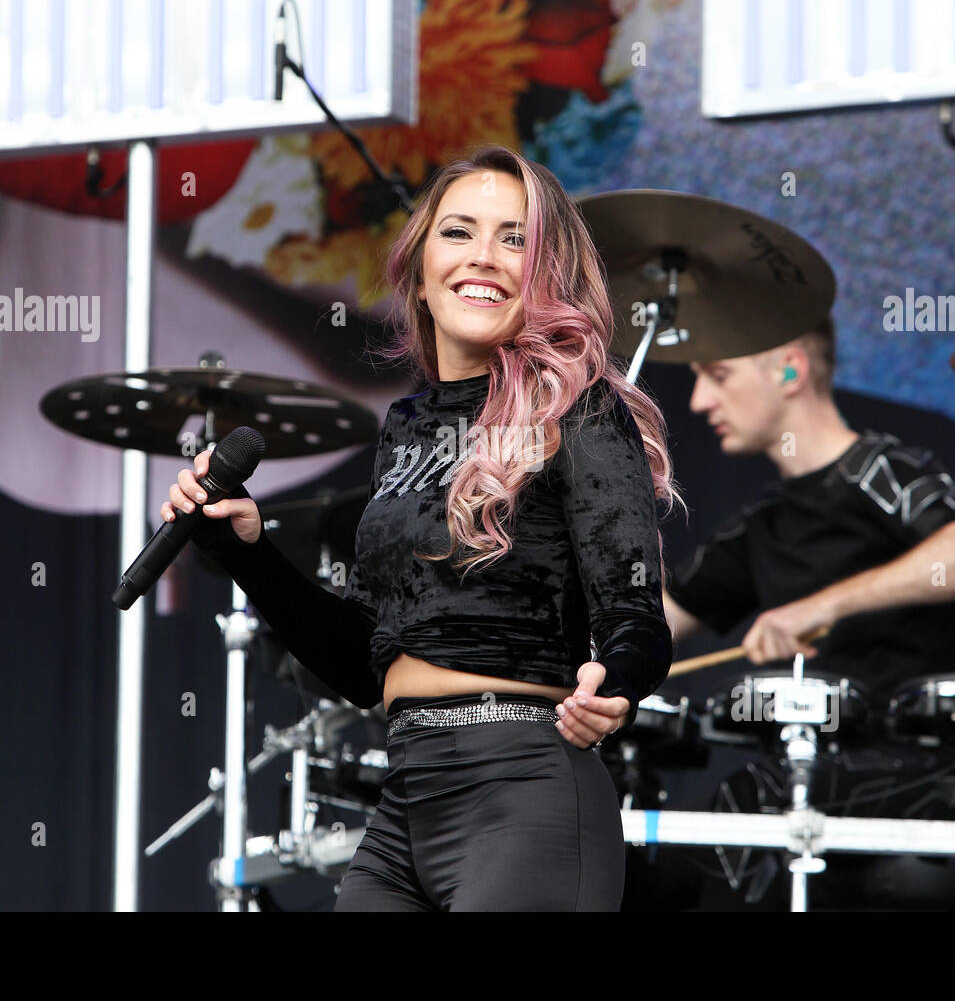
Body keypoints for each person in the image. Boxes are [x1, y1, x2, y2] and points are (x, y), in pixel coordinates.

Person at [162, 145, 683, 911]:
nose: (485, 257)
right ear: (420, 266)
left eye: (515, 239)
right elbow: (366, 664)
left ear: (545, 275)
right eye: (460, 232)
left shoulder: (580, 410)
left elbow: (634, 608)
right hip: (405, 797)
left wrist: (622, 680)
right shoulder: (408, 427)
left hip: (526, 787)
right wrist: (247, 552)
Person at [660, 317, 955, 911]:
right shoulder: (763, 526)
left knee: (741, 811)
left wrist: (822, 605)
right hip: (810, 788)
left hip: (925, 785)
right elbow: (651, 628)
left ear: (790, 368)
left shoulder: (882, 469)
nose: (700, 400)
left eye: (718, 376)